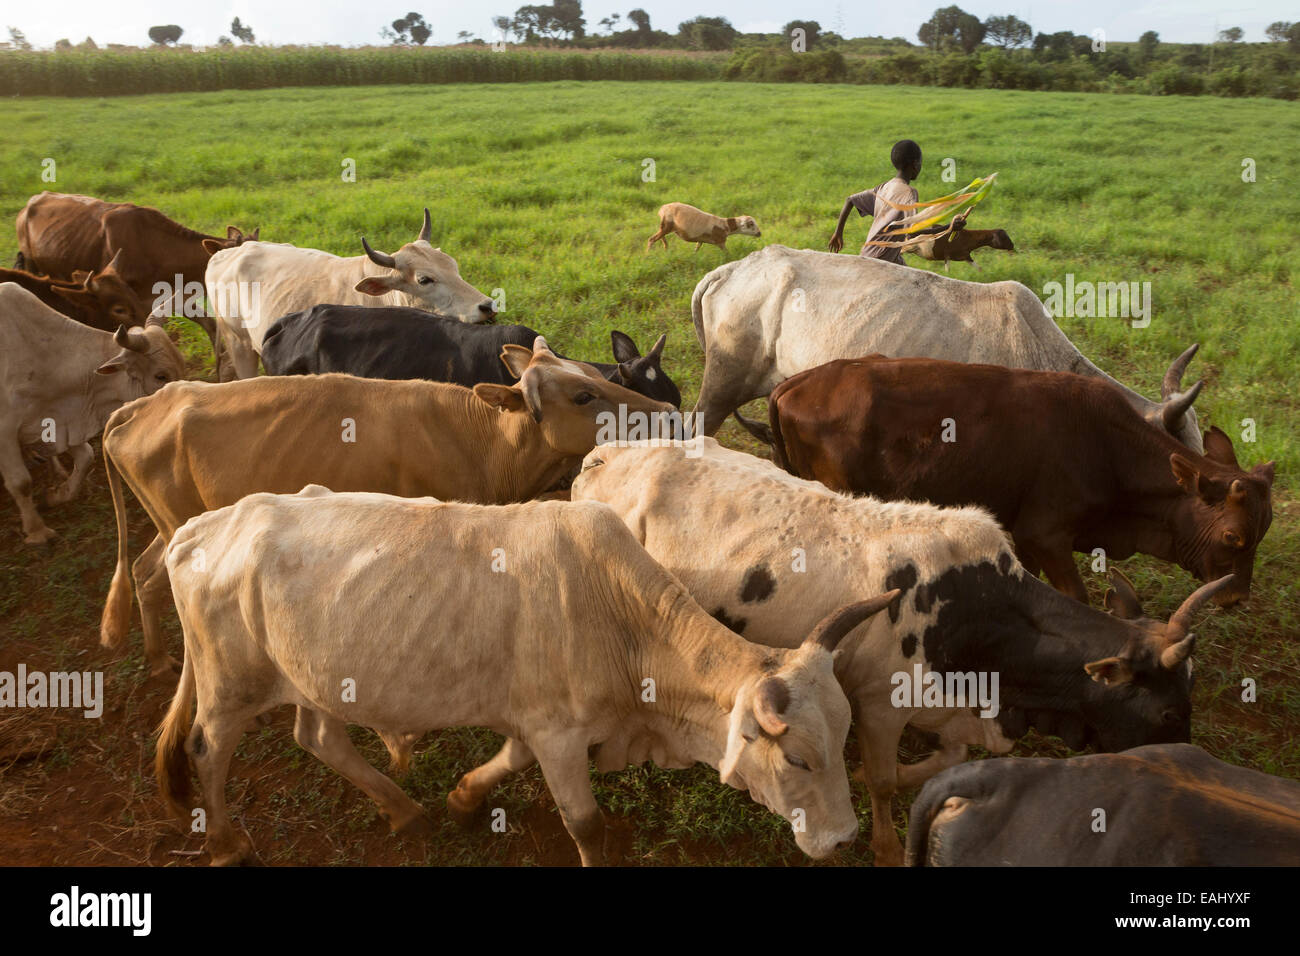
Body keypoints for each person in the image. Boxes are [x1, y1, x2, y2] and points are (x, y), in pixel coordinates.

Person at [828, 139, 930, 264]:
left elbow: (850, 200)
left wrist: (838, 233)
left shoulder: (885, 187)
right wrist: (949, 228)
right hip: (879, 261)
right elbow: (913, 233)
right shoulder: (909, 193)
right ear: (915, 165)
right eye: (920, 162)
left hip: (871, 254)